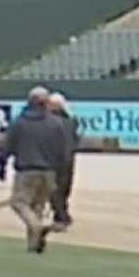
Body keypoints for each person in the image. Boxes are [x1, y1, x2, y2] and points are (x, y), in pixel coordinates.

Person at [0, 87, 75, 253]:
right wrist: (61, 172)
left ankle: (36, 228)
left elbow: (8, 144)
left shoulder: (20, 122)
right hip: (49, 171)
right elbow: (64, 150)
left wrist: (2, 164)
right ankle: (34, 245)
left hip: (26, 169)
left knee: (19, 203)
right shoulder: (56, 123)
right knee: (38, 206)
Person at [47, 91, 78, 230]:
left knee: (57, 189)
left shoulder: (52, 121)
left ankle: (61, 216)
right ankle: (61, 215)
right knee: (61, 189)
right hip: (66, 158)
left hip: (56, 158)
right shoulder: (70, 120)